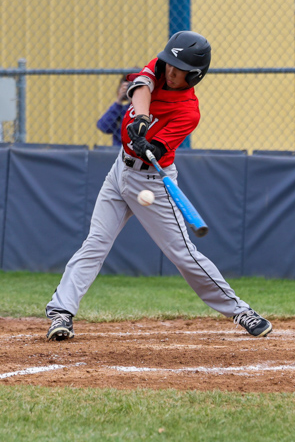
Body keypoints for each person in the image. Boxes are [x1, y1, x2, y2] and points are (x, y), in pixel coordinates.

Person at [45, 31, 272, 341]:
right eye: (169, 65)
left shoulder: (189, 112)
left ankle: (241, 310)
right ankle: (61, 312)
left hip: (152, 178)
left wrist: (147, 143)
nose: (170, 72)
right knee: (96, 242)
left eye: (178, 71)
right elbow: (141, 87)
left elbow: (159, 149)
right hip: (118, 172)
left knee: (183, 253)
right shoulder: (161, 65)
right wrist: (140, 118)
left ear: (194, 76)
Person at [96, 74, 132, 146]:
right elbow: (104, 127)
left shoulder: (150, 109)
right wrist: (119, 100)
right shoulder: (122, 110)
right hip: (119, 151)